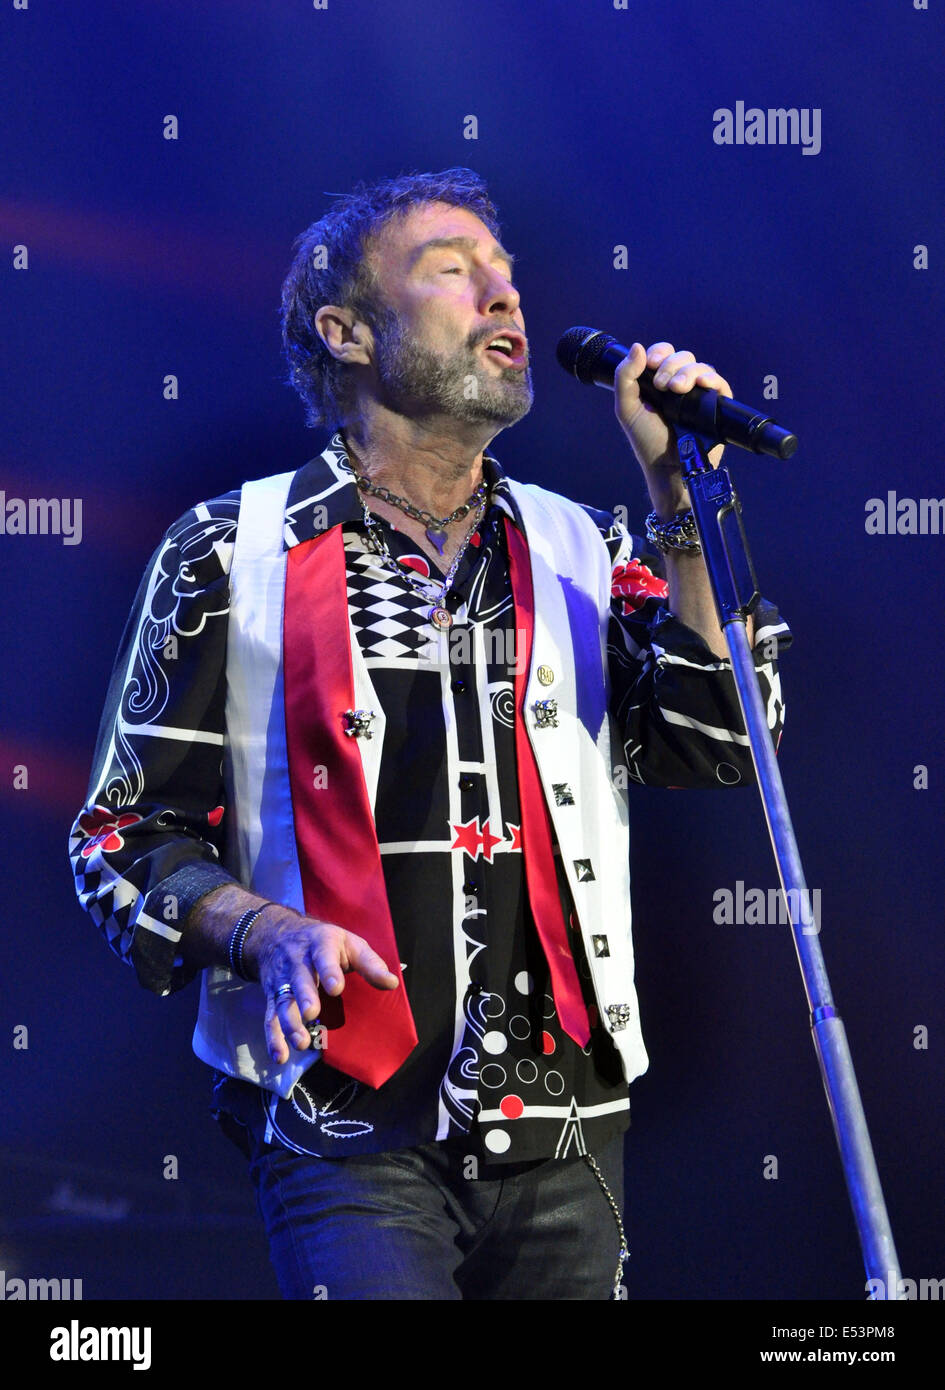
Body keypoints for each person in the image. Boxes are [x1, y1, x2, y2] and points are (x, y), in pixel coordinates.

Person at [69, 167, 790, 1301]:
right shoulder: (227, 553)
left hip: (566, 1130)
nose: (504, 297)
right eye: (455, 272)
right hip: (341, 1121)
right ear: (345, 331)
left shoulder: (589, 548)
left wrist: (683, 502)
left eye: (507, 278)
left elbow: (727, 739)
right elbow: (118, 838)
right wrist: (265, 933)